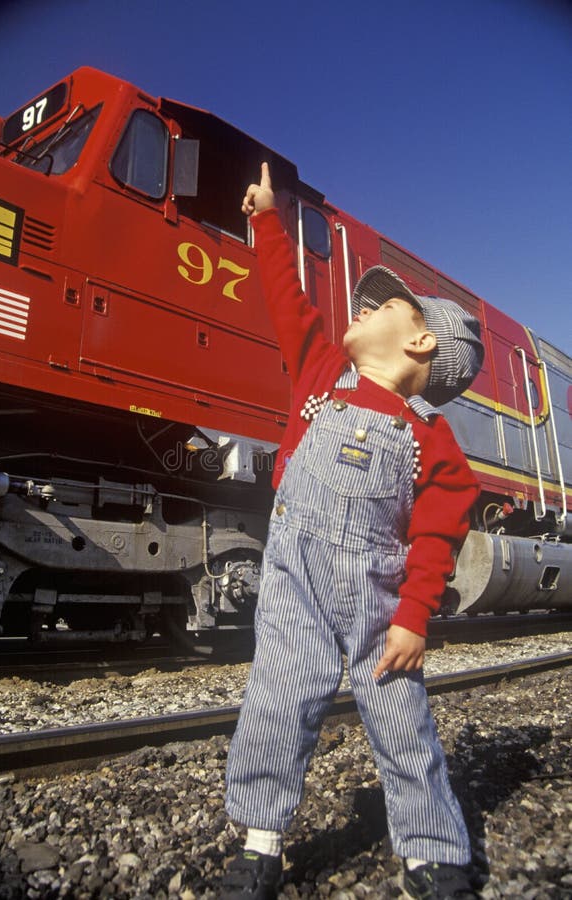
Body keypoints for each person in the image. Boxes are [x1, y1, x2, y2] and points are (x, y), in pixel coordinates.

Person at [219, 163, 484, 900]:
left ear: (422, 344)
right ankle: (260, 843)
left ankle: (431, 850)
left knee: (402, 722)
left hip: (377, 601)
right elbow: (284, 295)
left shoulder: (433, 442)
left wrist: (413, 619)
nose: (359, 308)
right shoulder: (318, 373)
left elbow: (435, 539)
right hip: (294, 583)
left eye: (381, 306)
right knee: (277, 701)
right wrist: (265, 220)